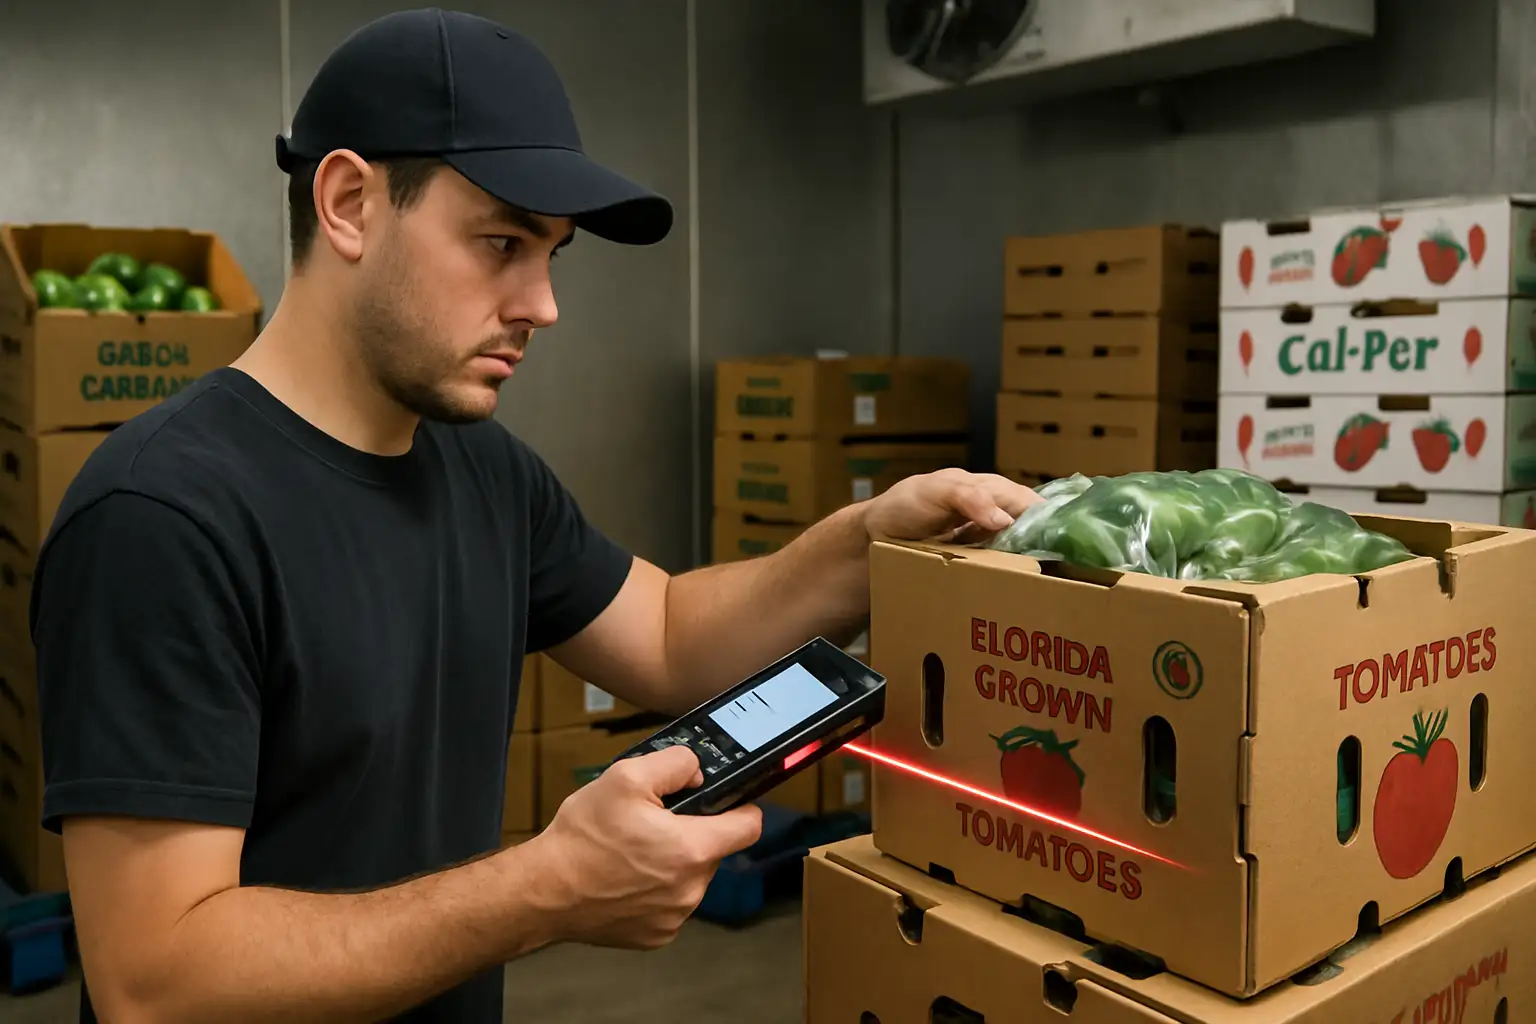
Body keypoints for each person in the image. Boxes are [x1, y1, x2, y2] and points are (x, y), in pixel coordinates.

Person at [30, 9, 1038, 1024]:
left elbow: (670, 634)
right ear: (347, 202)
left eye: (551, 253)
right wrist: (546, 886)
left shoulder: (481, 468)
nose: (543, 304)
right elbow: (154, 982)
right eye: (501, 242)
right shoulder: (161, 516)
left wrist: (865, 541)